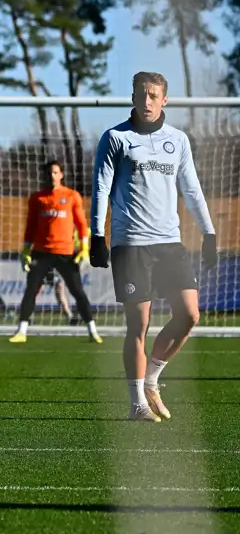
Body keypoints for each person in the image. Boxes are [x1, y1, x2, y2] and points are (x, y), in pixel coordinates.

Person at [91, 72, 216, 422]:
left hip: (170, 243)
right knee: (139, 325)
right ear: (133, 96)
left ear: (165, 100)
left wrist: (208, 233)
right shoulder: (115, 138)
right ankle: (137, 405)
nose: (147, 101)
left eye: (154, 95)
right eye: (141, 94)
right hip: (131, 244)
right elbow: (101, 187)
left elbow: (191, 189)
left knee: (189, 315)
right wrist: (97, 235)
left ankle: (151, 380)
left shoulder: (178, 140)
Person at [9, 160, 100, 344]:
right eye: (49, 172)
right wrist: (25, 251)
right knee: (31, 290)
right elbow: (31, 226)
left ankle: (92, 330)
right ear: (44, 175)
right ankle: (21, 331)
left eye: (55, 172)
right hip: (41, 252)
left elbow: (81, 224)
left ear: (61, 175)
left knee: (77, 291)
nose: (52, 175)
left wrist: (84, 249)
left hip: (65, 252)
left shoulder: (72, 196)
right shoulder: (37, 198)